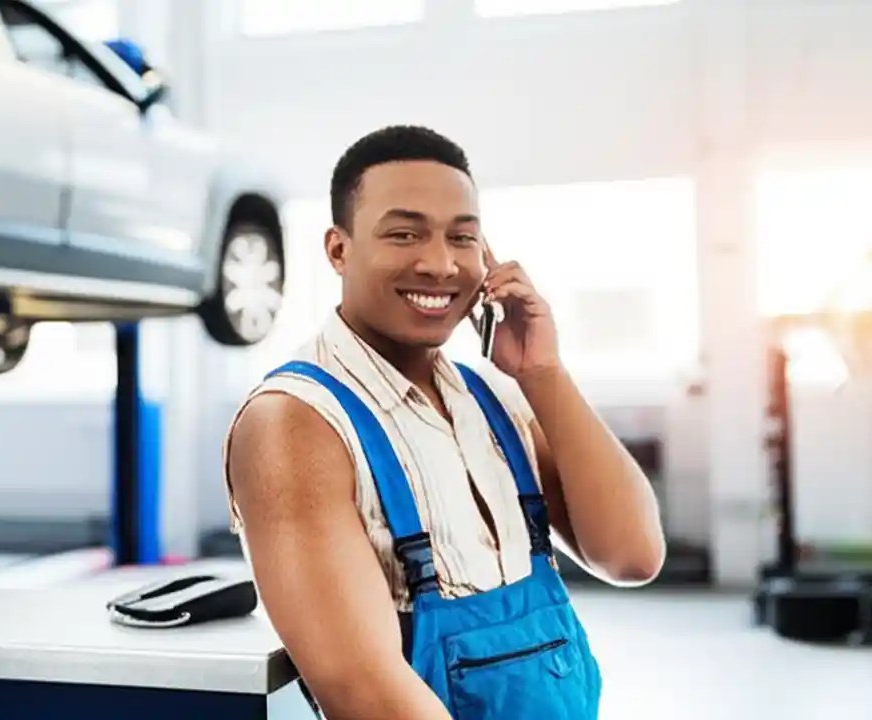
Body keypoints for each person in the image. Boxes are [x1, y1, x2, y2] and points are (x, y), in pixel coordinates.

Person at [223, 125, 666, 719]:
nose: (439, 264)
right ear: (338, 249)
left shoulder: (492, 402)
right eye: (404, 234)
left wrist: (544, 372)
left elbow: (632, 555)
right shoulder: (296, 423)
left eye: (463, 238)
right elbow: (366, 692)